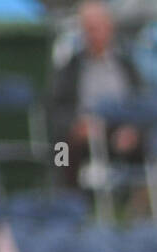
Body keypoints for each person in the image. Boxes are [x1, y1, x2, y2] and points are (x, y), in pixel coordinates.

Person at [48, 0, 145, 186]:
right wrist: (75, 125)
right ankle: (73, 202)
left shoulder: (127, 65)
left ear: (111, 28)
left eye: (99, 27)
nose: (95, 34)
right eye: (89, 29)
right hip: (85, 130)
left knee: (147, 142)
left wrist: (134, 128)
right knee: (63, 148)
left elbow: (143, 102)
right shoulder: (70, 68)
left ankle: (139, 202)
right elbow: (56, 106)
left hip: (122, 129)